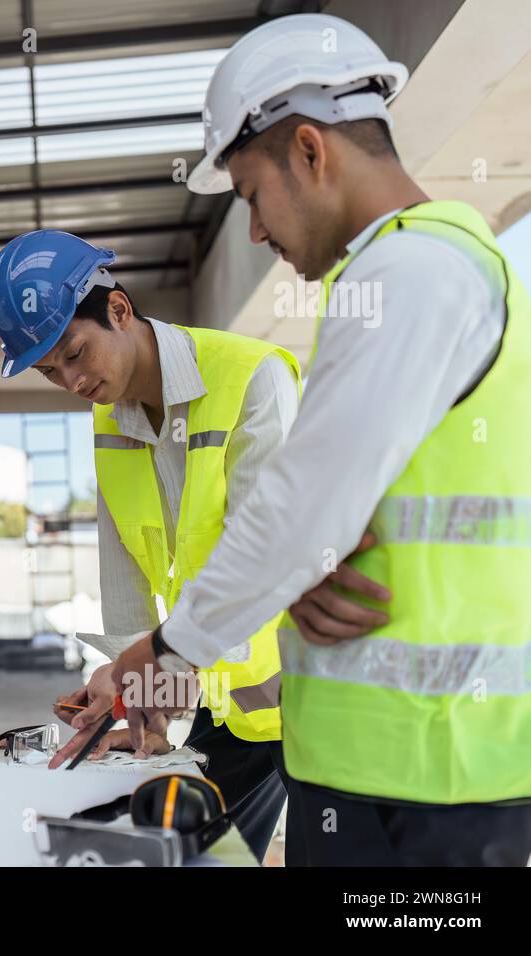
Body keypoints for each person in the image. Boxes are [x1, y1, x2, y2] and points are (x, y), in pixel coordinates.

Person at [108, 12, 531, 865]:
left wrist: (165, 649)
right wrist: (303, 566)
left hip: (431, 780)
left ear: (310, 150)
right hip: (395, 771)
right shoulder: (439, 267)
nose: (256, 231)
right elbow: (337, 516)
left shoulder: (408, 274)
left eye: (253, 197)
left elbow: (303, 506)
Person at [0, 230, 321, 862]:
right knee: (187, 855)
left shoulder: (254, 379)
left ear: (119, 310)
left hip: (316, 706)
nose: (72, 380)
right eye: (50, 371)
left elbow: (260, 576)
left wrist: (140, 669)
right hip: (236, 712)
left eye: (75, 353)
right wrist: (142, 700)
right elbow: (126, 590)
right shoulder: (111, 418)